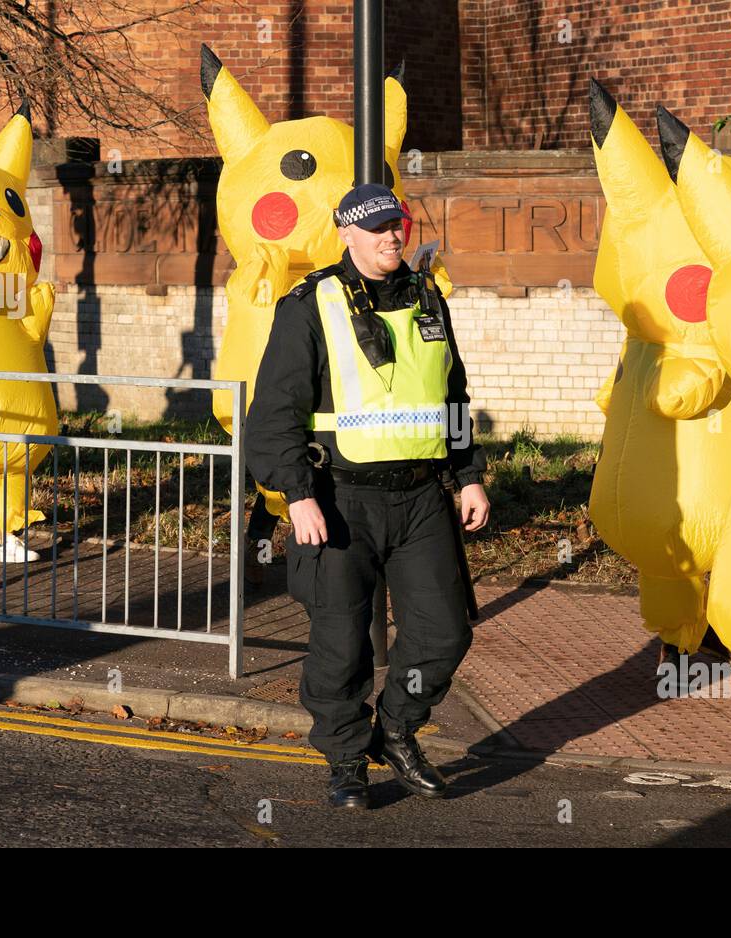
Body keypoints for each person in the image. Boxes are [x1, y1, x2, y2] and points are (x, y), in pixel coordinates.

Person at [245, 183, 490, 809]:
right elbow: (272, 415)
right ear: (347, 233)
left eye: (398, 224)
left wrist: (469, 475)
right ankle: (347, 760)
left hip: (421, 498)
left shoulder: (429, 299)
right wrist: (297, 496)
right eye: (378, 226)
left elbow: (452, 396)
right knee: (341, 646)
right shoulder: (309, 304)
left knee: (444, 634)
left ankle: (398, 729)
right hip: (337, 500)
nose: (392, 235)